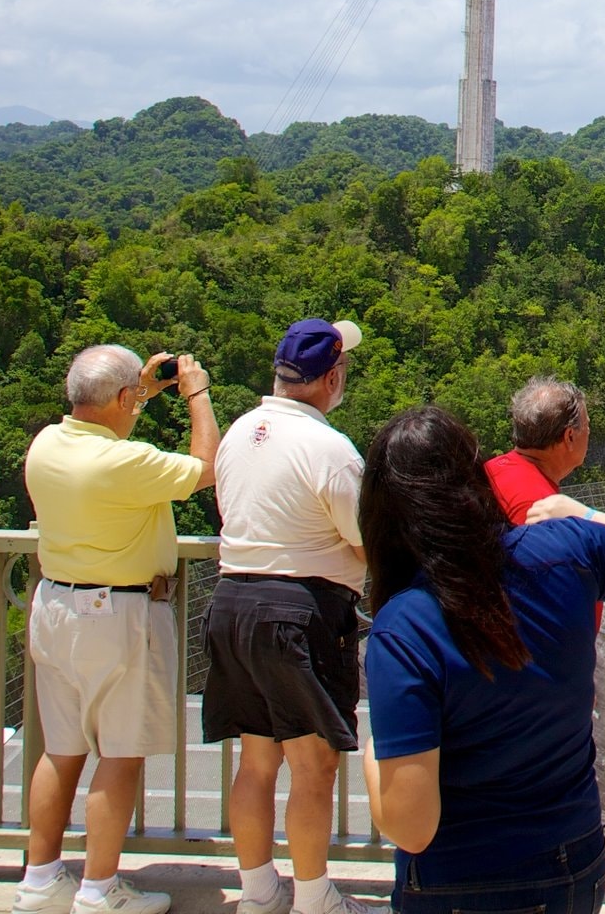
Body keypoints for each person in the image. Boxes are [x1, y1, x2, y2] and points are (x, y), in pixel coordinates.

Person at [358, 406, 605, 914]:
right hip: (574, 861)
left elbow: (410, 828)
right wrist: (583, 515)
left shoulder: (404, 627)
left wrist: (378, 752)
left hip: (459, 878)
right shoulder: (566, 550)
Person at [12, 346, 220, 914]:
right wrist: (195, 395)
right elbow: (207, 469)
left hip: (56, 606)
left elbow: (107, 421)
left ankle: (40, 880)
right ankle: (100, 890)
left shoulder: (47, 444)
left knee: (60, 751)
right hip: (118, 614)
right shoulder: (123, 463)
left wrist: (141, 392)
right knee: (121, 754)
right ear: (124, 399)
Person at [203, 318, 373, 914]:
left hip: (232, 603)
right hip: (299, 613)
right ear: (332, 377)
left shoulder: (237, 433)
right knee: (312, 762)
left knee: (256, 761)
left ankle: (257, 893)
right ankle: (313, 897)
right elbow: (363, 540)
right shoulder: (330, 449)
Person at [483, 379, 590, 525]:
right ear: (569, 436)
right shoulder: (540, 510)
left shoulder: (488, 470)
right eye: (587, 425)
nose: (589, 432)